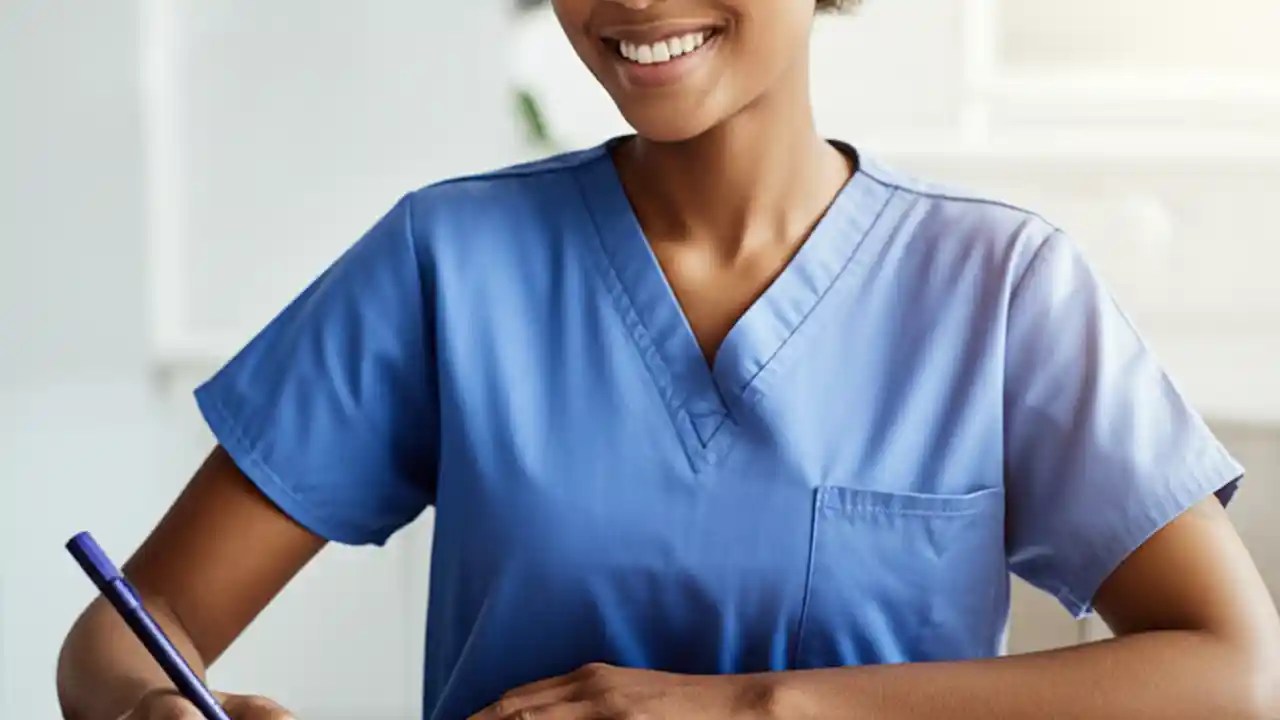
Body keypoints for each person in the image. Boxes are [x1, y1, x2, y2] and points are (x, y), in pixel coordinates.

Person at [58, 0, 1280, 718]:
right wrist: (154, 706)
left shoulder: (1000, 289)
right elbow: (125, 630)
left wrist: (757, 707)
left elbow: (1232, 673)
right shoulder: (449, 262)